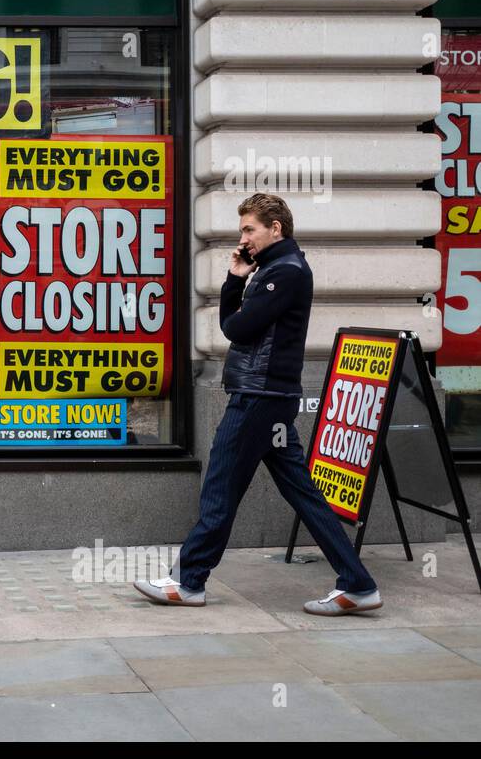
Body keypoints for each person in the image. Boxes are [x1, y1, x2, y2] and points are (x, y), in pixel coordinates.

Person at [134, 193, 382, 615]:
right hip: (270, 398)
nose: (243, 237)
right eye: (242, 230)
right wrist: (238, 276)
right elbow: (239, 326)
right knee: (302, 494)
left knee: (220, 485)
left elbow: (237, 328)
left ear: (275, 228)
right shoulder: (274, 269)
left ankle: (188, 581)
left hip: (259, 398)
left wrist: (235, 282)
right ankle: (358, 584)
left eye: (250, 229)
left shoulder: (283, 272)